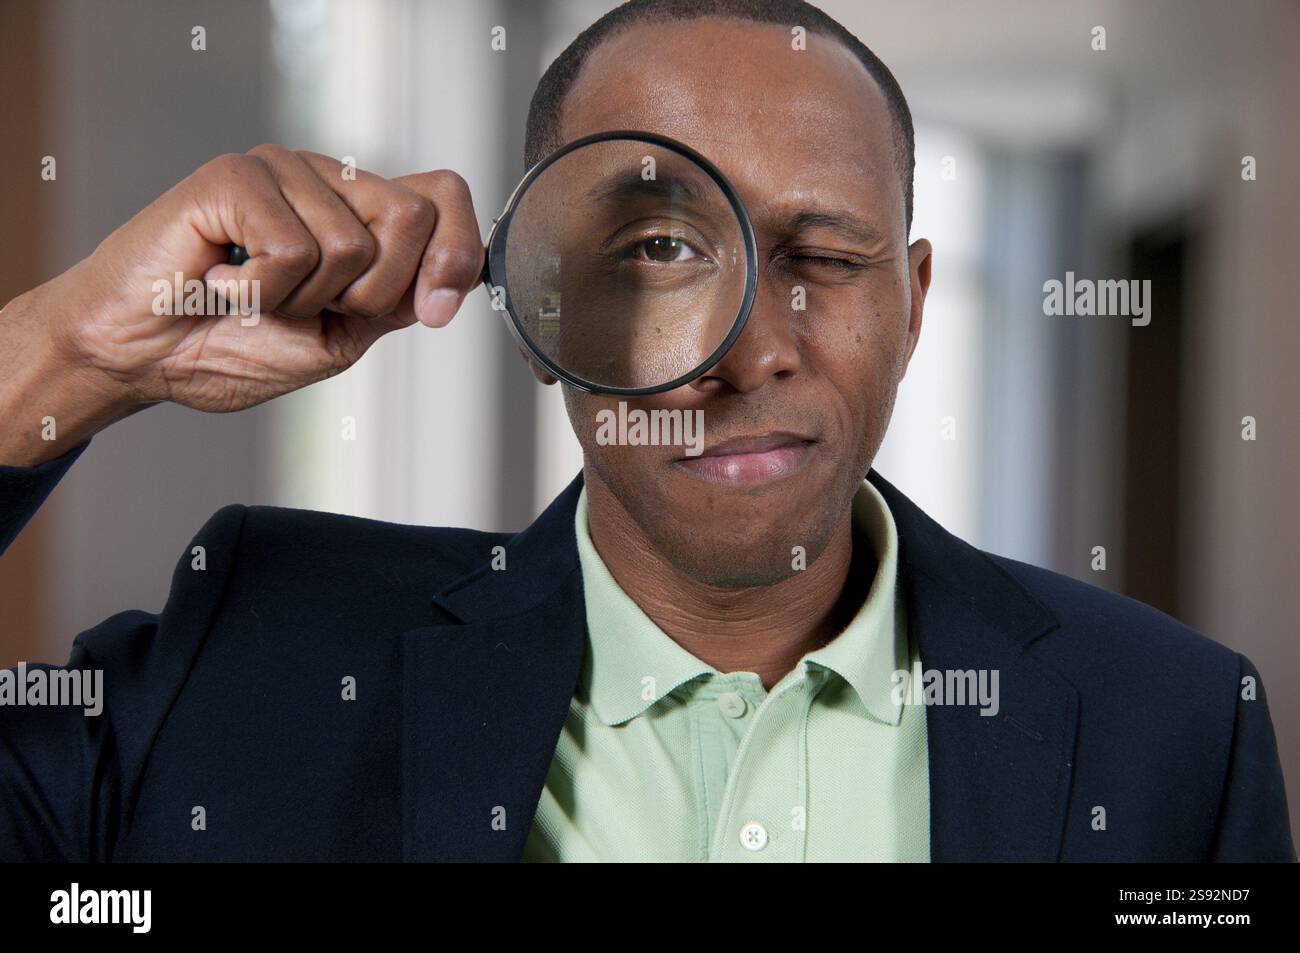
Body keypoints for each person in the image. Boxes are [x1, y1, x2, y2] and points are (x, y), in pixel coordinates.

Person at [0, 0, 1292, 862]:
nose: (751, 348)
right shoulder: (253, 656)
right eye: (660, 248)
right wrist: (65, 354)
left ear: (913, 306)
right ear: (537, 298)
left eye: (825, 255)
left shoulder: (1172, 723)